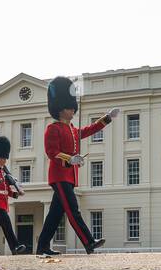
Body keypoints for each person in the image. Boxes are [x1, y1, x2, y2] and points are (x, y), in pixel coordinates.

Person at [36, 77, 117, 256]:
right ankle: (88, 242)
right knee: (73, 210)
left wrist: (107, 118)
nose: (72, 110)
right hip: (59, 176)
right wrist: (69, 159)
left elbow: (89, 130)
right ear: (59, 109)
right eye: (69, 107)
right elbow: (51, 152)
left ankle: (42, 247)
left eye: (73, 107)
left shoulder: (72, 129)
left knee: (54, 216)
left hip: (69, 177)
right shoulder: (53, 128)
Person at [0, 135, 28, 254]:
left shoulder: (4, 172)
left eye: (5, 158)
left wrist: (16, 193)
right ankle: (14, 246)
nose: (4, 160)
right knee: (7, 224)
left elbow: (7, 189)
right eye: (2, 158)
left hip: (3, 201)